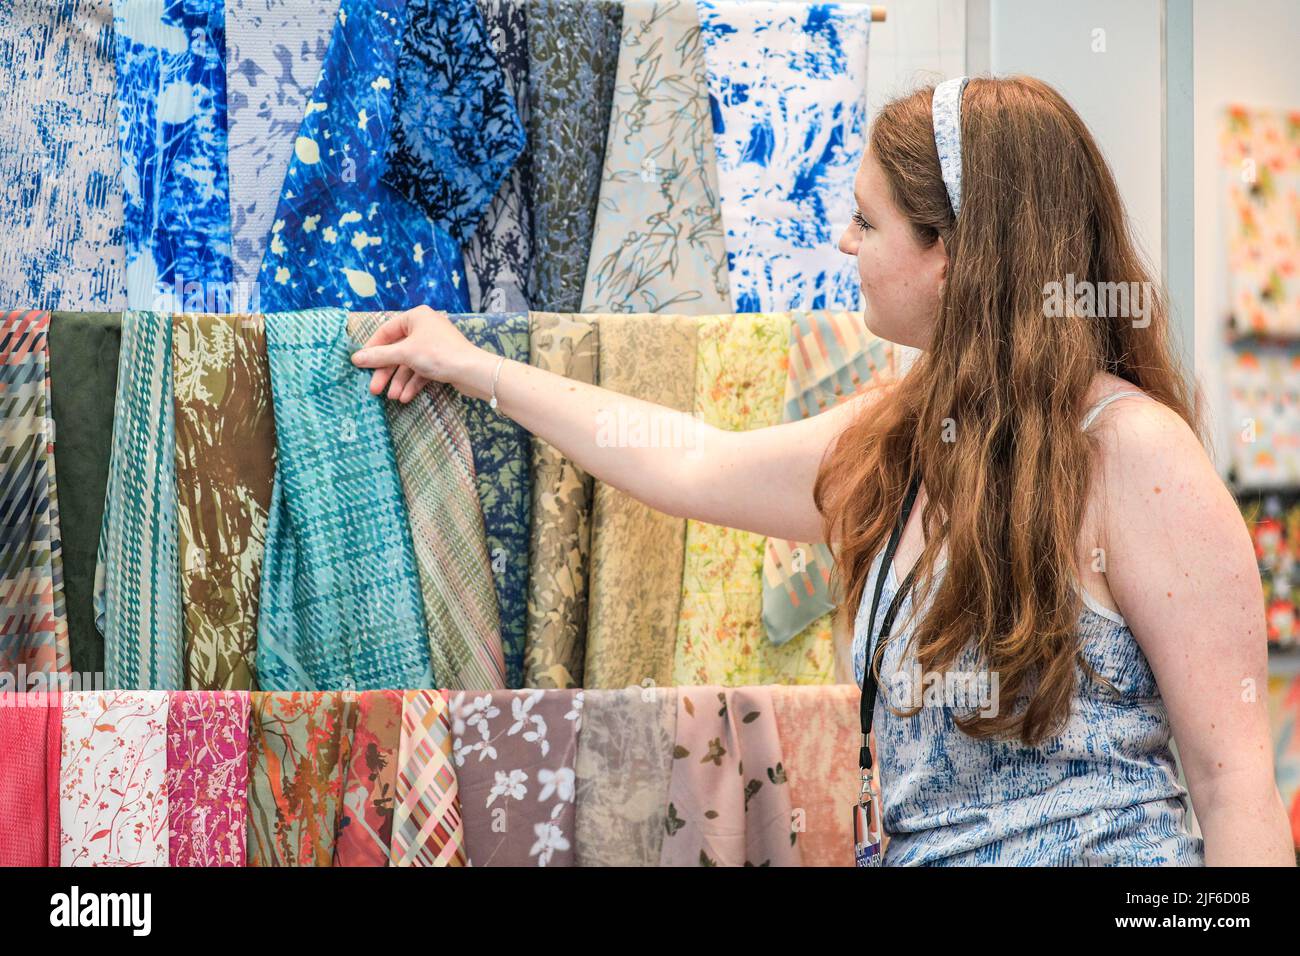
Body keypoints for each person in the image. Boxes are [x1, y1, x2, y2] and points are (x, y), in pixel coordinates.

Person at [351, 75, 1295, 866]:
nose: (843, 242)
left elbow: (1235, 781)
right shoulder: (912, 441)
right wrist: (475, 366)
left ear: (954, 255)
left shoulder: (1134, 453)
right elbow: (689, 461)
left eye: (865, 220)